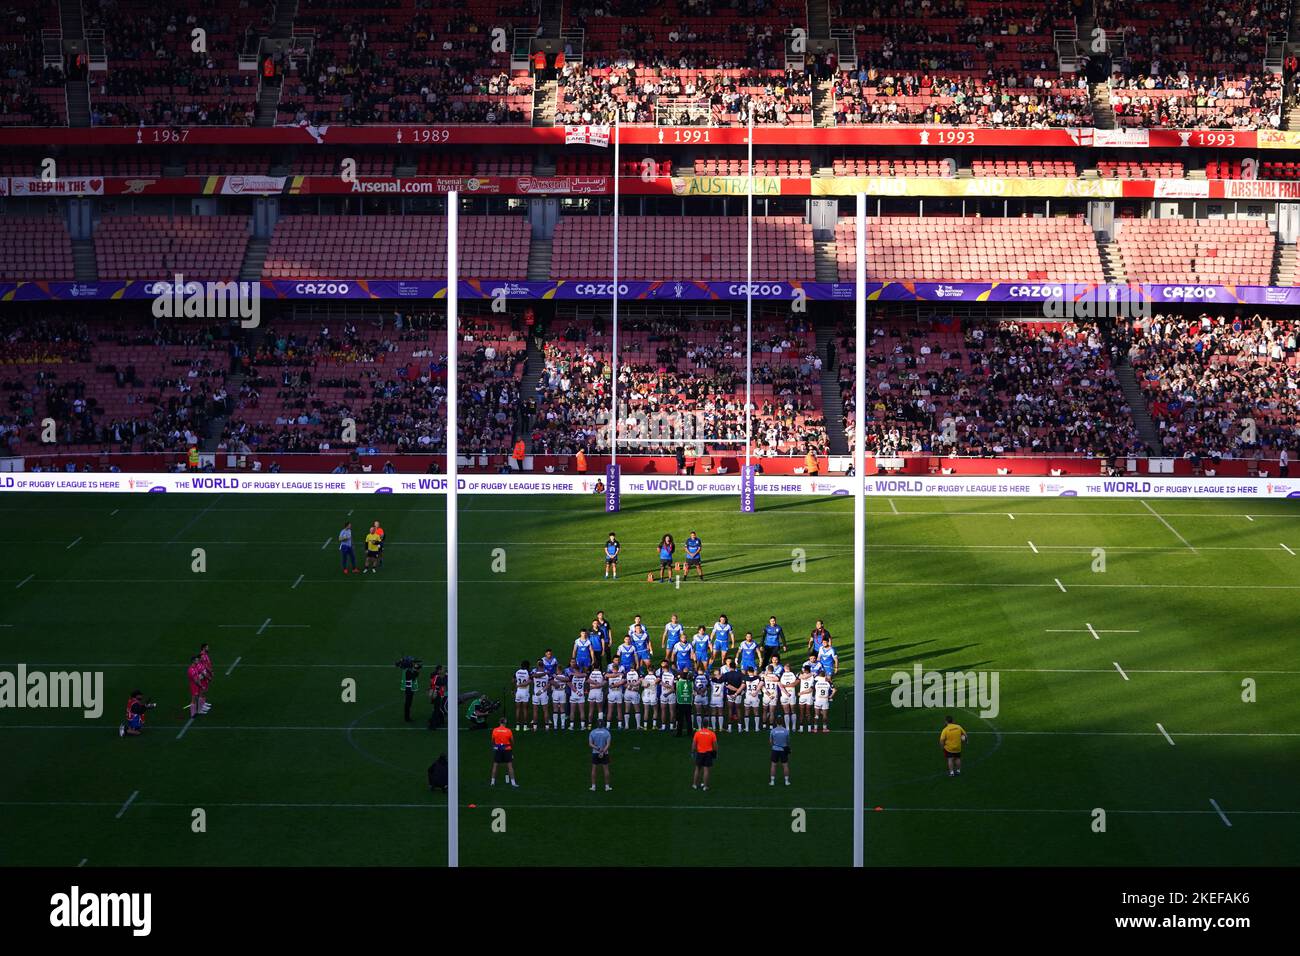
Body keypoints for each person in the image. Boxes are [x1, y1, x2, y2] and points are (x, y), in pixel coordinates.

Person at [490, 717, 518, 787]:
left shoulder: (495, 730)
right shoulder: (508, 731)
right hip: (507, 749)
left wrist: (495, 746)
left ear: (499, 722)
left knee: (495, 765)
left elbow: (493, 740)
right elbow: (512, 741)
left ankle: (492, 782)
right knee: (509, 766)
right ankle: (513, 783)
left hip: (498, 749)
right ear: (505, 723)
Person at [691, 720, 718, 791]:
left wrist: (693, 752)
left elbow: (694, 744)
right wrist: (715, 752)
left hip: (699, 753)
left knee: (697, 769)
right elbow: (715, 745)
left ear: (702, 725)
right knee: (706, 770)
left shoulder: (697, 733)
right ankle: (705, 786)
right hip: (708, 753)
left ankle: (694, 784)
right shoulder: (712, 734)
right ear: (708, 725)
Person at [589, 718, 612, 791]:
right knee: (606, 770)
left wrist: (598, 749)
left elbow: (590, 744)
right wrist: (602, 752)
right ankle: (607, 787)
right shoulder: (607, 733)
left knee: (594, 770)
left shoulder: (592, 732)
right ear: (603, 724)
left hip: (595, 753)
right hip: (605, 753)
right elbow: (608, 745)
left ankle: (593, 787)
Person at [770, 721, 791, 786]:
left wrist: (774, 746)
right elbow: (788, 741)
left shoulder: (773, 731)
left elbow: (771, 742)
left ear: (776, 722)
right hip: (783, 750)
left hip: (775, 750)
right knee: (785, 765)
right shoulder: (786, 731)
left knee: (773, 765)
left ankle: (772, 781)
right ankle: (786, 781)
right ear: (782, 722)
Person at [674, 668, 693, 736]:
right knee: (688, 719)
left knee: (680, 719)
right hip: (688, 702)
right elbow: (692, 691)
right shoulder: (691, 683)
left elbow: (675, 688)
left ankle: (679, 733)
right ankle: (690, 733)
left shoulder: (678, 683)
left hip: (680, 702)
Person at [512, 659, 530, 729]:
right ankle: (525, 726)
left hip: (518, 692)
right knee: (525, 709)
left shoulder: (517, 671)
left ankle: (517, 726)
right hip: (525, 692)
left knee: (518, 709)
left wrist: (513, 688)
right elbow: (529, 681)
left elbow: (513, 680)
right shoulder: (528, 672)